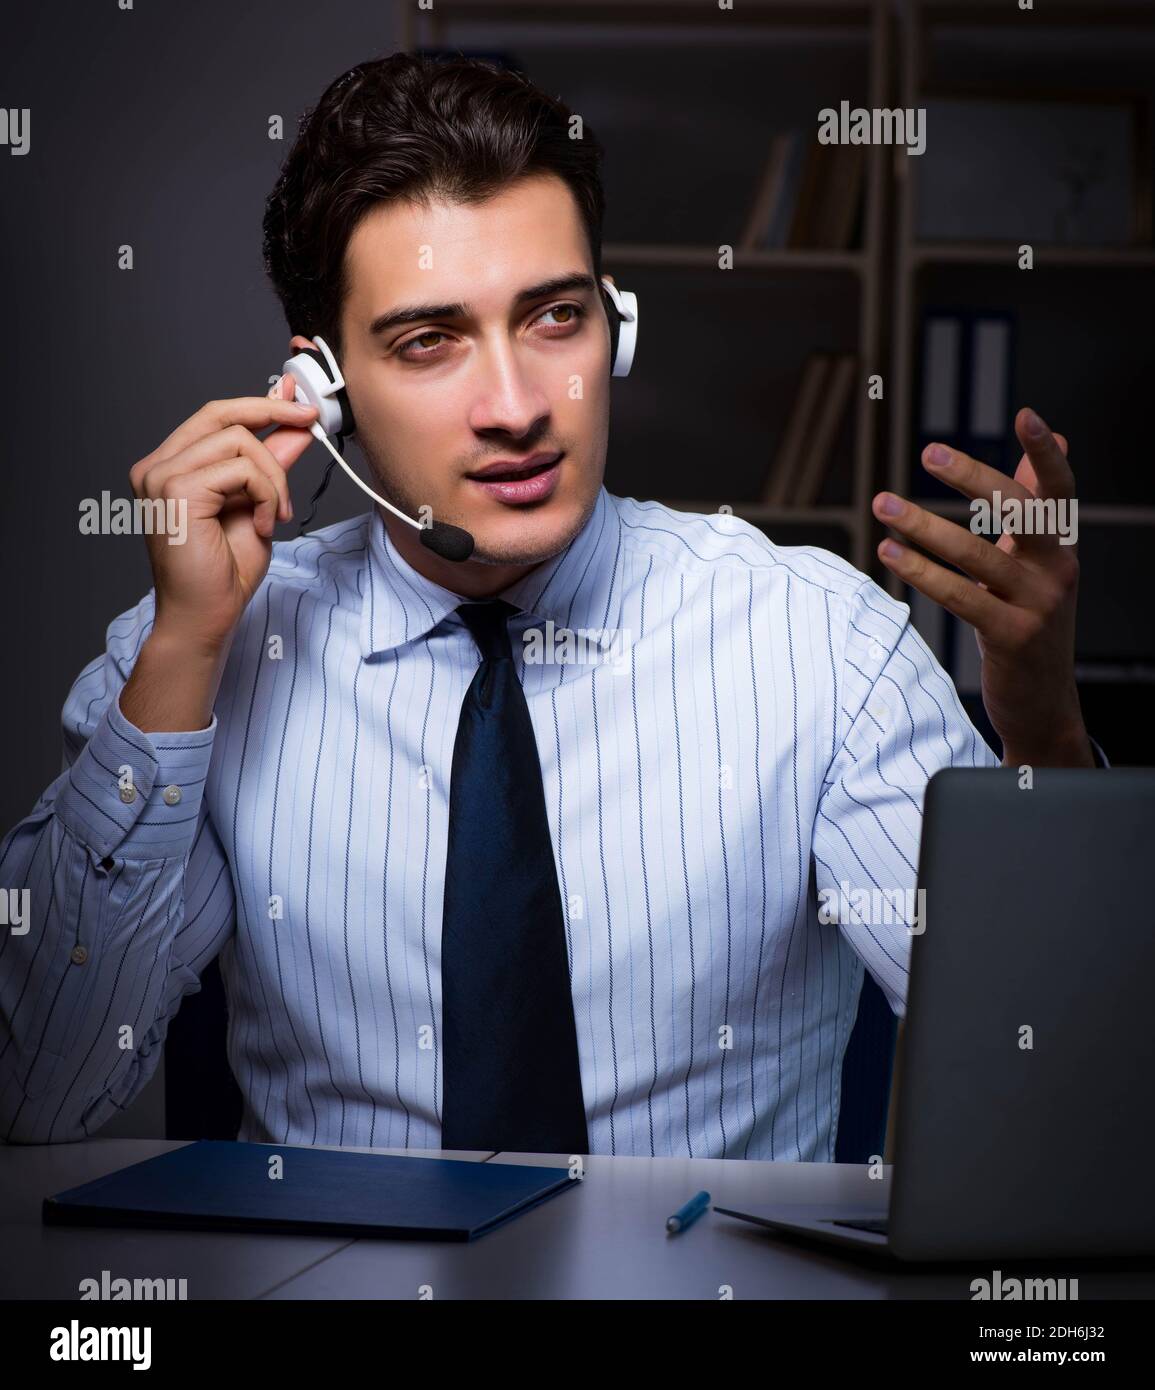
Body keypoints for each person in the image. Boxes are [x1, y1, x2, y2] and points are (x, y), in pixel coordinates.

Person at [0, 54, 1099, 1155]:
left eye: (554, 318)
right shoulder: (195, 659)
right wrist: (186, 649)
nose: (519, 406)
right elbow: (36, 1092)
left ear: (613, 328)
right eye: (429, 342)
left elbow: (1066, 1066)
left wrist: (1045, 734)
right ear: (318, 393)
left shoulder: (821, 644)